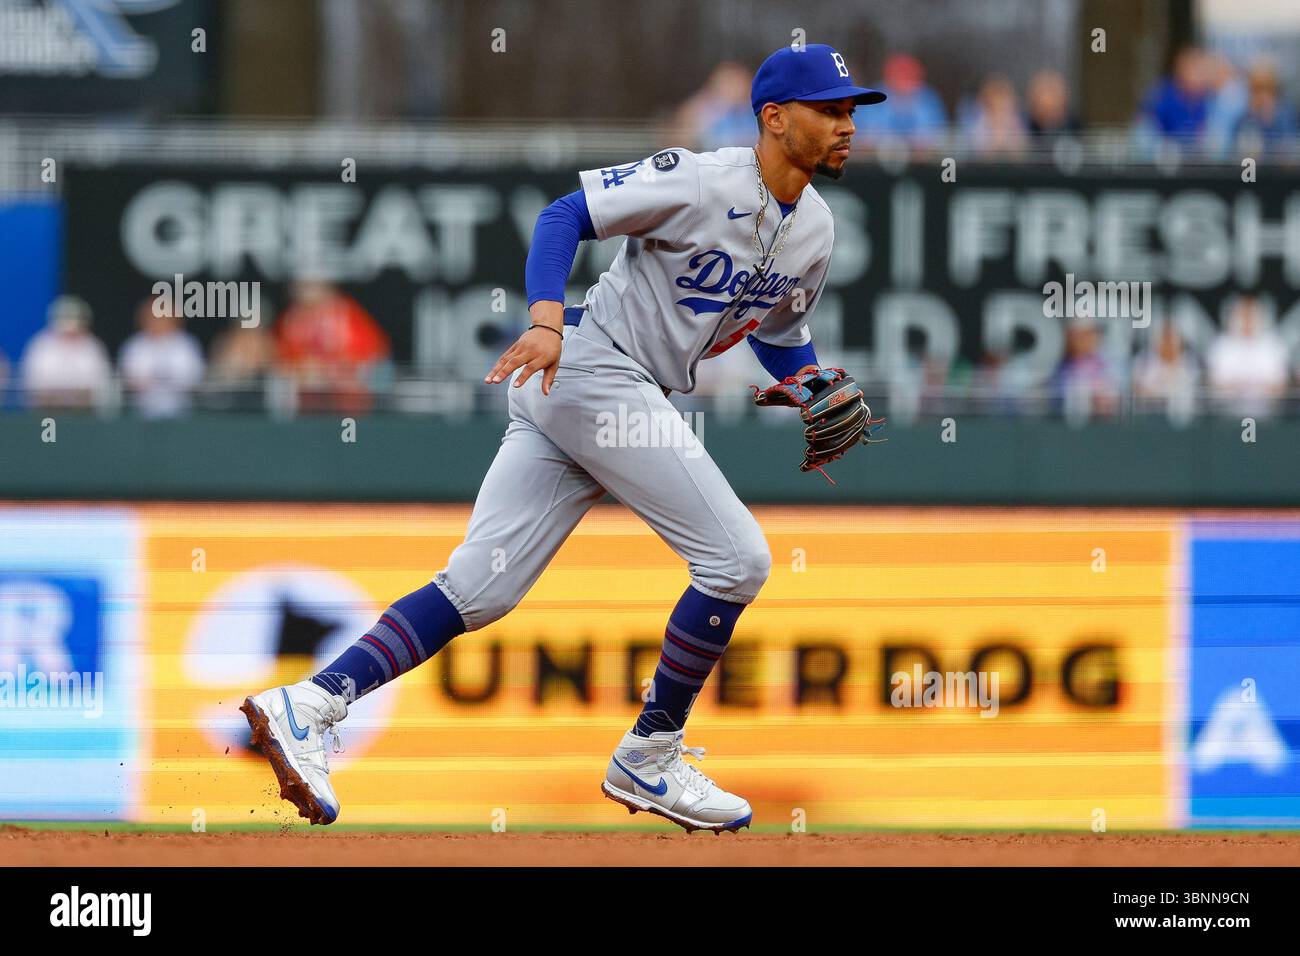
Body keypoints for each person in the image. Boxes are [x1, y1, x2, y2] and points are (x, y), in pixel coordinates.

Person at [241, 44, 887, 832]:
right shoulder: (701, 177)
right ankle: (652, 753)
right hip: (589, 366)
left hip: (591, 393)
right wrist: (544, 320)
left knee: (479, 589)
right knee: (737, 559)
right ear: (774, 118)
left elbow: (779, 330)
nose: (847, 124)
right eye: (831, 109)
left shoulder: (814, 228)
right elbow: (564, 216)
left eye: (852, 110)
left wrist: (812, 380)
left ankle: (308, 704)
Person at [272, 279, 392, 415]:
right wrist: (303, 368)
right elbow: (282, 359)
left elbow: (375, 354)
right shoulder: (291, 319)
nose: (307, 290)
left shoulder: (346, 314)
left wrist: (336, 369)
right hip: (306, 406)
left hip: (348, 406)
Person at [19, 295, 113, 411]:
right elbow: (33, 386)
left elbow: (101, 387)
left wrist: (77, 398)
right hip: (47, 413)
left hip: (85, 415)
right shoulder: (40, 346)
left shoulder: (93, 347)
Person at [119, 295, 206, 419]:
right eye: (153, 316)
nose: (158, 321)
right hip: (141, 415)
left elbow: (194, 379)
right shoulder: (134, 346)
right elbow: (129, 380)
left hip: (181, 413)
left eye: (163, 315)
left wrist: (164, 381)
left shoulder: (186, 344)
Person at [1206, 296, 1289, 418]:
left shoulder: (1274, 345)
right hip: (1227, 416)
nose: (1247, 321)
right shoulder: (1221, 345)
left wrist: (1242, 387)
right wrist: (1253, 387)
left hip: (1267, 417)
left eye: (1251, 316)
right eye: (1243, 316)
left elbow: (1278, 388)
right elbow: (1216, 387)